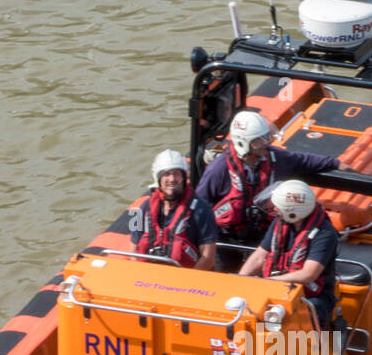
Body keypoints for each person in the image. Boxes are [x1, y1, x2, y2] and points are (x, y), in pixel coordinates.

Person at [196, 110, 344, 246]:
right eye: (259, 140)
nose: (266, 143)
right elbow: (199, 207)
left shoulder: (276, 157)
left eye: (266, 137)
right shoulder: (218, 170)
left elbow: (305, 161)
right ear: (243, 143)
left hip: (265, 235)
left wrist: (338, 164)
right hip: (226, 238)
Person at [239, 179, 339, 331]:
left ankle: (313, 352)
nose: (275, 210)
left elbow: (308, 275)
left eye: (278, 208)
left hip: (311, 297)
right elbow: (260, 254)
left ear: (294, 212)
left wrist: (267, 282)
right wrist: (240, 279)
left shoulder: (325, 234)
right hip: (276, 287)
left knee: (302, 320)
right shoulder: (280, 222)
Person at [129, 150, 217, 270]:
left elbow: (208, 258)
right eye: (167, 174)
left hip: (185, 278)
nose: (172, 179)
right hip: (149, 275)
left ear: (183, 177)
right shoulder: (142, 208)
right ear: (158, 178)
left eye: (176, 174)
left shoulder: (203, 210)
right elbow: (133, 251)